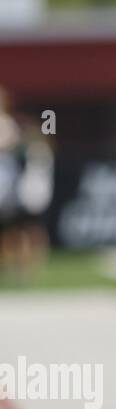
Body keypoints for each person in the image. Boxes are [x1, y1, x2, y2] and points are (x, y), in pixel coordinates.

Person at [0, 89, 54, 287]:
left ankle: (28, 267)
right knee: (10, 231)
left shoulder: (20, 130)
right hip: (10, 189)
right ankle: (8, 267)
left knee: (26, 229)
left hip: (15, 190)